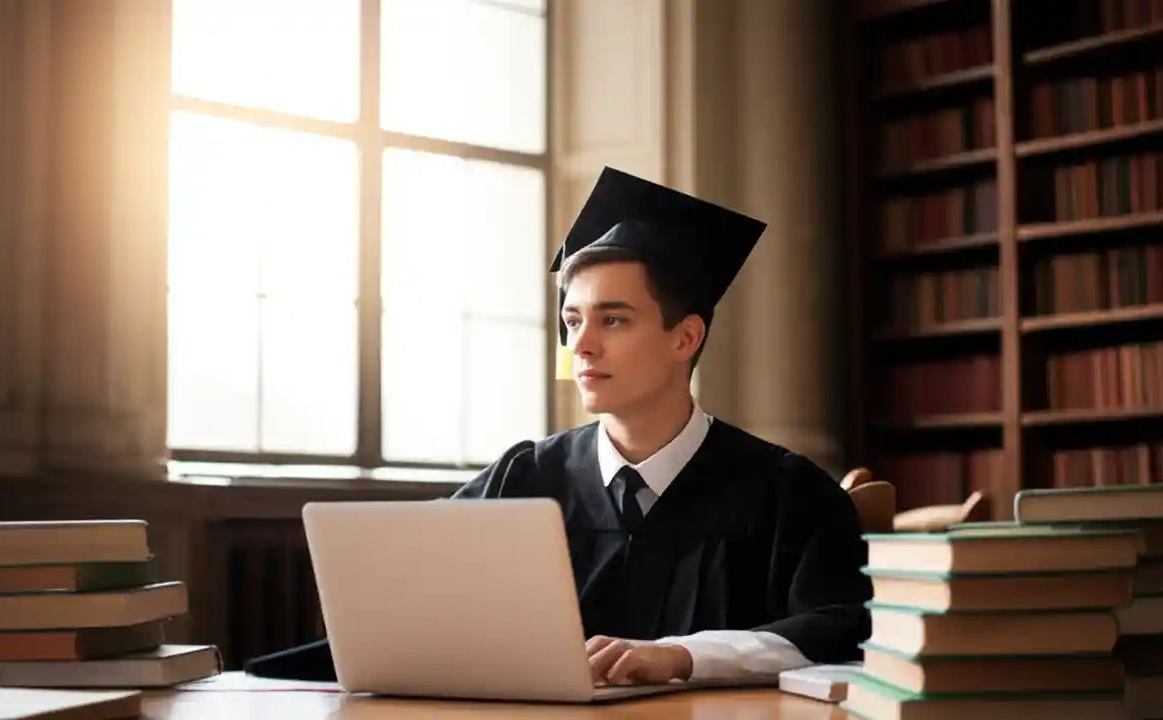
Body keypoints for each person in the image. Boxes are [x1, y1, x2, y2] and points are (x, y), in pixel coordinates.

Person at [245, 167, 871, 685]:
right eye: (573, 322)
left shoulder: (784, 491)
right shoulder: (525, 476)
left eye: (613, 320)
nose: (581, 346)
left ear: (685, 337)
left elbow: (840, 626)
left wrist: (684, 656)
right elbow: (410, 600)